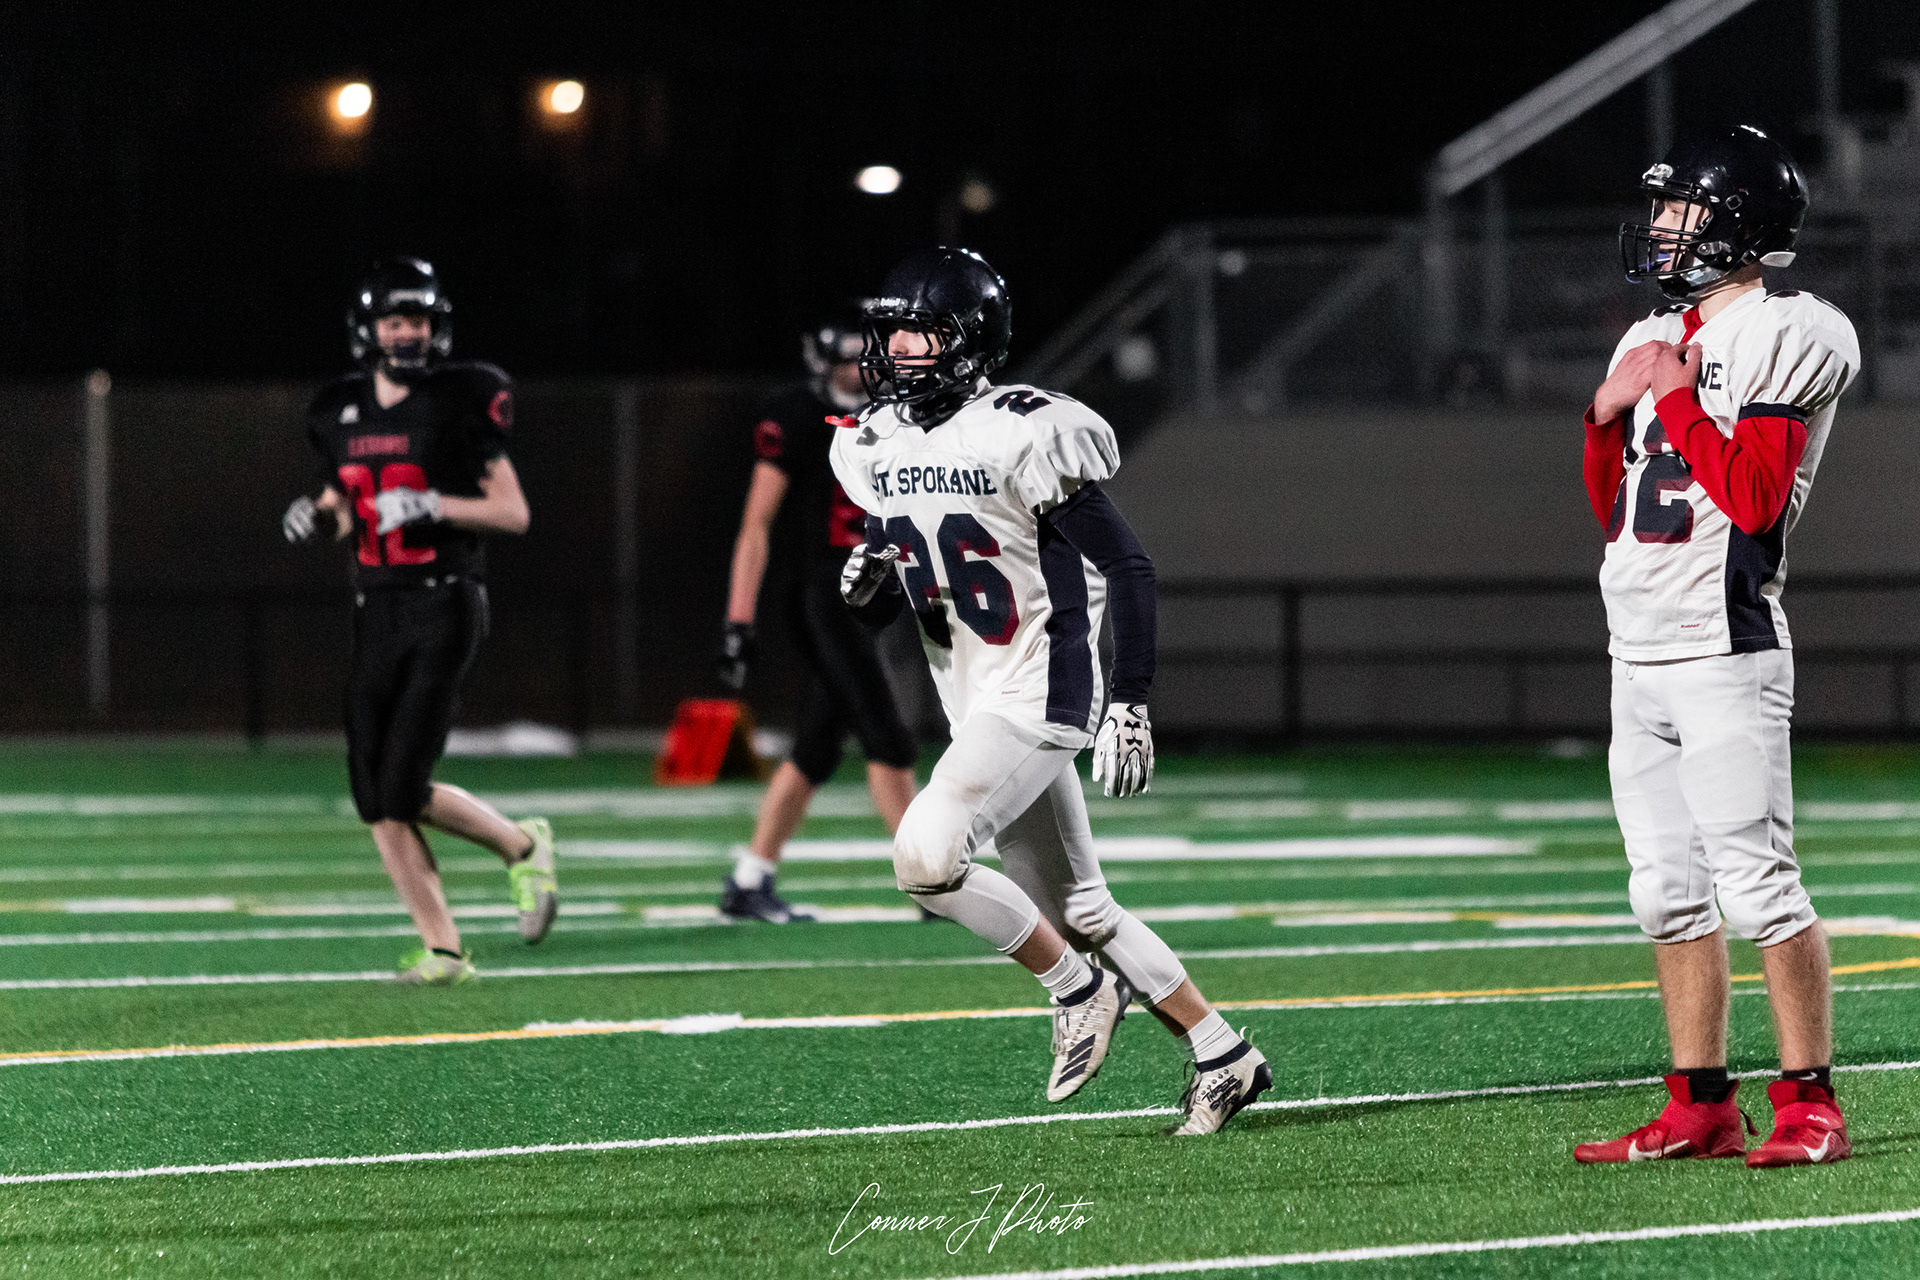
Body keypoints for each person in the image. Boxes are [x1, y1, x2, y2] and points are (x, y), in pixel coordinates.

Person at [831, 247, 1270, 1136]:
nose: (893, 351)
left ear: (968, 341)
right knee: (1081, 907)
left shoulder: (1023, 428)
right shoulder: (879, 443)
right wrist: (874, 586)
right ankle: (1225, 1054)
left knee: (925, 857)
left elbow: (1128, 565)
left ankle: (1075, 989)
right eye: (891, 333)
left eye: (918, 333)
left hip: (1039, 691)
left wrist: (1131, 698)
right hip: (974, 696)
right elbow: (912, 581)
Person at [1572, 127, 1857, 1166]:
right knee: (1664, 888)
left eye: (1682, 209)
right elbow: (1615, 508)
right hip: (1636, 647)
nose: (1661, 227)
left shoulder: (1792, 329)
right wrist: (1610, 417)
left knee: (1759, 881)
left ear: (1738, 221)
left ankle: (1809, 1101)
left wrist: (1678, 392)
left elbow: (1753, 497)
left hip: (1724, 646)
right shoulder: (1651, 331)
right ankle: (1698, 1101)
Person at [282, 256, 558, 986]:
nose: (408, 333)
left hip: (444, 600)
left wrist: (434, 504)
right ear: (369, 328)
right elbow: (346, 498)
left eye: (419, 320)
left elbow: (514, 512)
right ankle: (446, 944)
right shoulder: (337, 409)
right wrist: (320, 517)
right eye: (396, 320)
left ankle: (520, 849)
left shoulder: (462, 399)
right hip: (376, 605)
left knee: (401, 781)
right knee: (375, 793)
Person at [712, 317, 920, 923]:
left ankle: (750, 878)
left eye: (865, 362)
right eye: (844, 364)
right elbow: (756, 524)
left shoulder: (894, 417)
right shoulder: (798, 416)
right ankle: (933, 877)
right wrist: (738, 619)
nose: (857, 375)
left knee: (818, 746)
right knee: (885, 731)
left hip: (872, 592)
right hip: (822, 597)